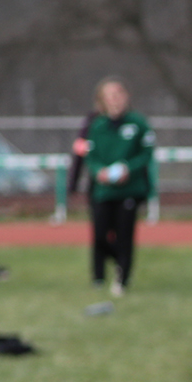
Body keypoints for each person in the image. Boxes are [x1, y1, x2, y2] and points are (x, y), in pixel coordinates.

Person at [75, 77, 154, 296]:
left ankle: (122, 279)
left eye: (118, 94)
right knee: (100, 235)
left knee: (125, 235)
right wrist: (98, 170)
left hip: (129, 189)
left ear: (126, 96)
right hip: (104, 190)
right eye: (110, 96)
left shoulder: (138, 123)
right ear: (102, 100)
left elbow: (146, 154)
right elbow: (90, 156)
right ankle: (114, 264)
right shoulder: (97, 125)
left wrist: (128, 169)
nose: (115, 100)